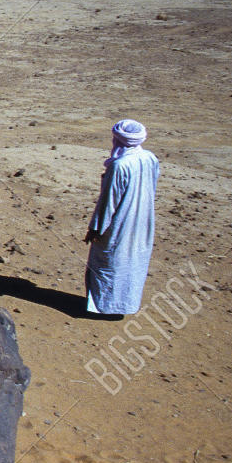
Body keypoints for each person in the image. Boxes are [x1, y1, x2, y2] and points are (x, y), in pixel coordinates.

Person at [83, 119, 160, 317]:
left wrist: (96, 229)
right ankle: (124, 305)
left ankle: (104, 307)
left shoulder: (119, 165)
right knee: (132, 263)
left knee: (108, 263)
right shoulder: (150, 158)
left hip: (119, 224)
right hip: (142, 220)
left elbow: (108, 202)